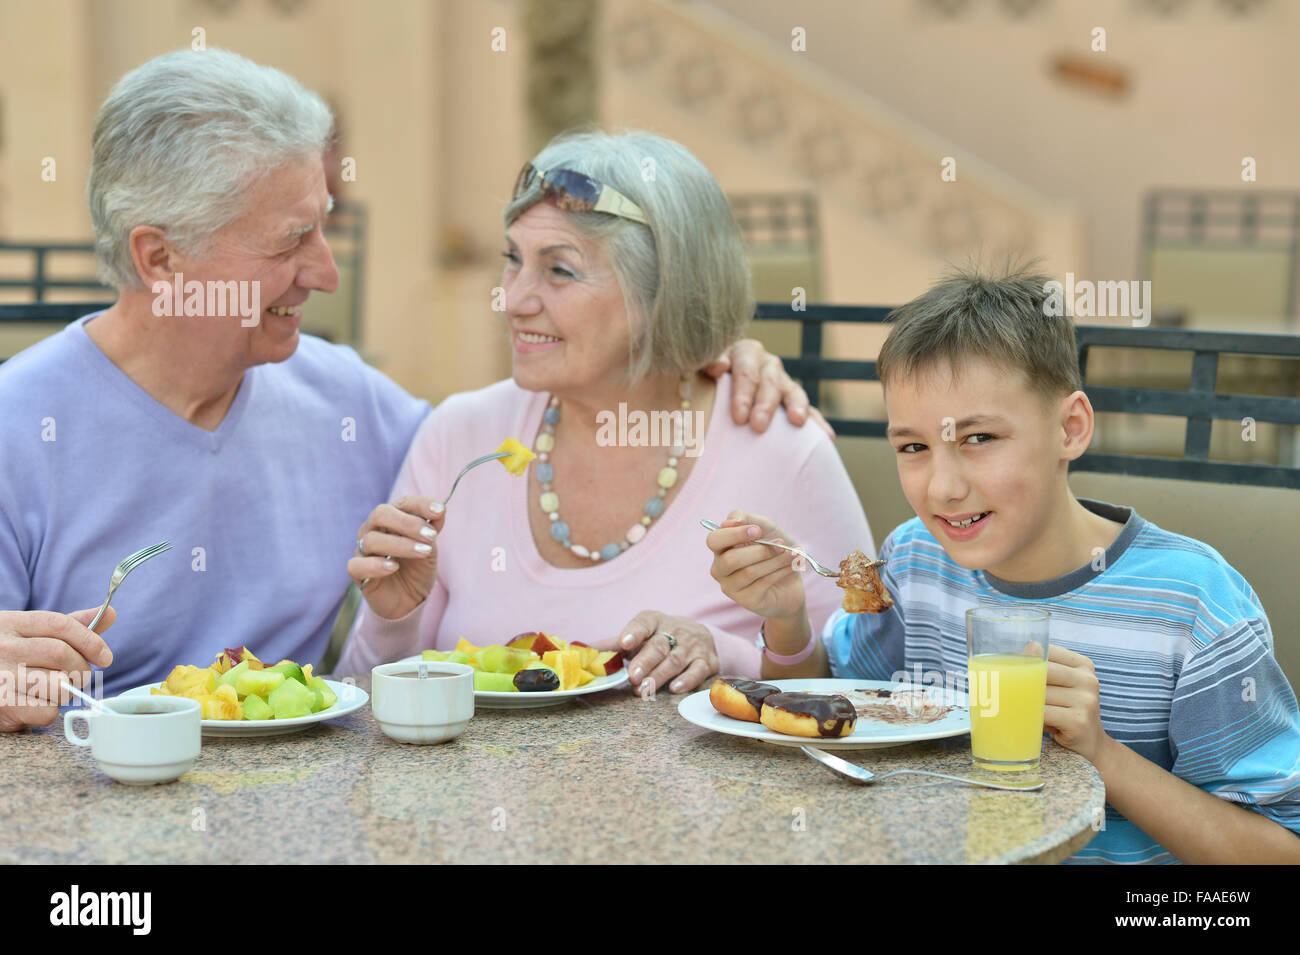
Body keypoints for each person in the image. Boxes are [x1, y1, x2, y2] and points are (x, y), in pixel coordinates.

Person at [0, 49, 816, 728]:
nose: (325, 272)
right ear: (161, 259)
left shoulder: (349, 405)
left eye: (325, 225)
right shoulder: (18, 427)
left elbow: (520, 444)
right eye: (292, 241)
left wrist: (690, 345)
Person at [709, 265, 1300, 863]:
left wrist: (1100, 752)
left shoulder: (1193, 603)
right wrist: (786, 619)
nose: (942, 487)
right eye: (913, 447)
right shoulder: (915, 561)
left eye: (980, 438)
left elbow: (1279, 850)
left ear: (1070, 428)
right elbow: (835, 716)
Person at [338, 130, 873, 693]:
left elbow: (865, 685)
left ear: (663, 291)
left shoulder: (782, 452)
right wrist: (392, 620)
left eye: (559, 270)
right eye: (512, 260)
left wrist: (729, 656)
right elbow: (364, 713)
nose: (515, 299)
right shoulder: (459, 435)